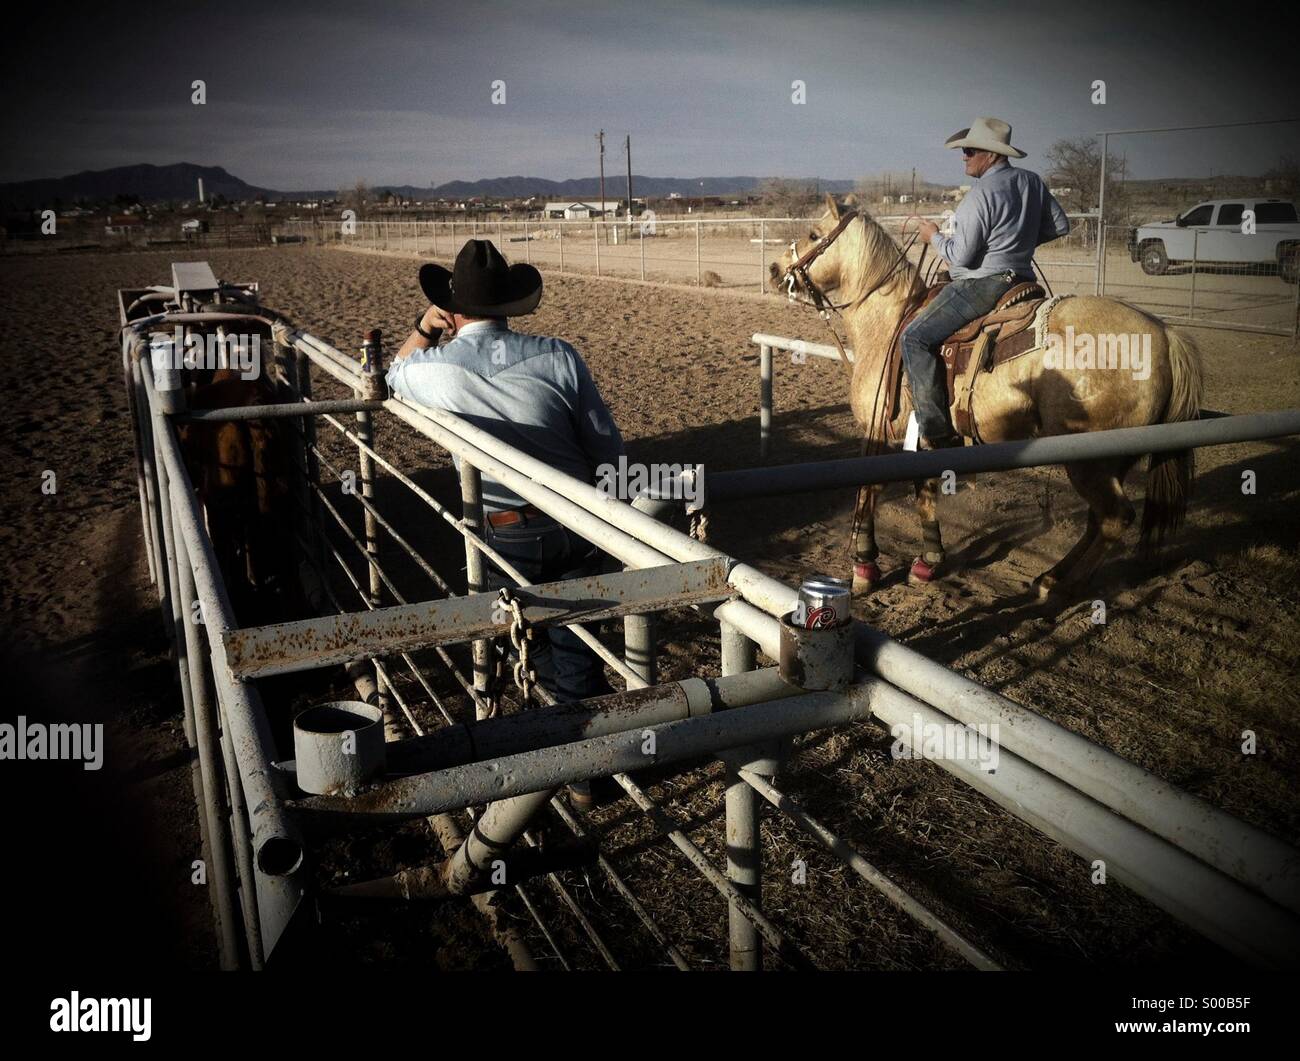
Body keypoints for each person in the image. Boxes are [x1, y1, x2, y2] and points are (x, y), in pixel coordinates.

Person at [386, 239, 625, 712]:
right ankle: (586, 759)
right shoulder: (559, 356)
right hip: (577, 522)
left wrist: (423, 327)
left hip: (505, 534)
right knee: (578, 647)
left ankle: (570, 732)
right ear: (509, 306)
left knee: (520, 628)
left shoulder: (433, 371)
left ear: (453, 312)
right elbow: (607, 450)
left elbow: (390, 372)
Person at [905, 116, 1070, 447]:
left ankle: (937, 433)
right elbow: (1060, 226)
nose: (963, 156)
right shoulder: (1032, 182)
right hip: (1022, 281)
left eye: (969, 150)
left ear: (991, 154)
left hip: (984, 285)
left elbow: (960, 258)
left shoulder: (979, 196)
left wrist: (933, 236)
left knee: (914, 338)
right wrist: (1016, 245)